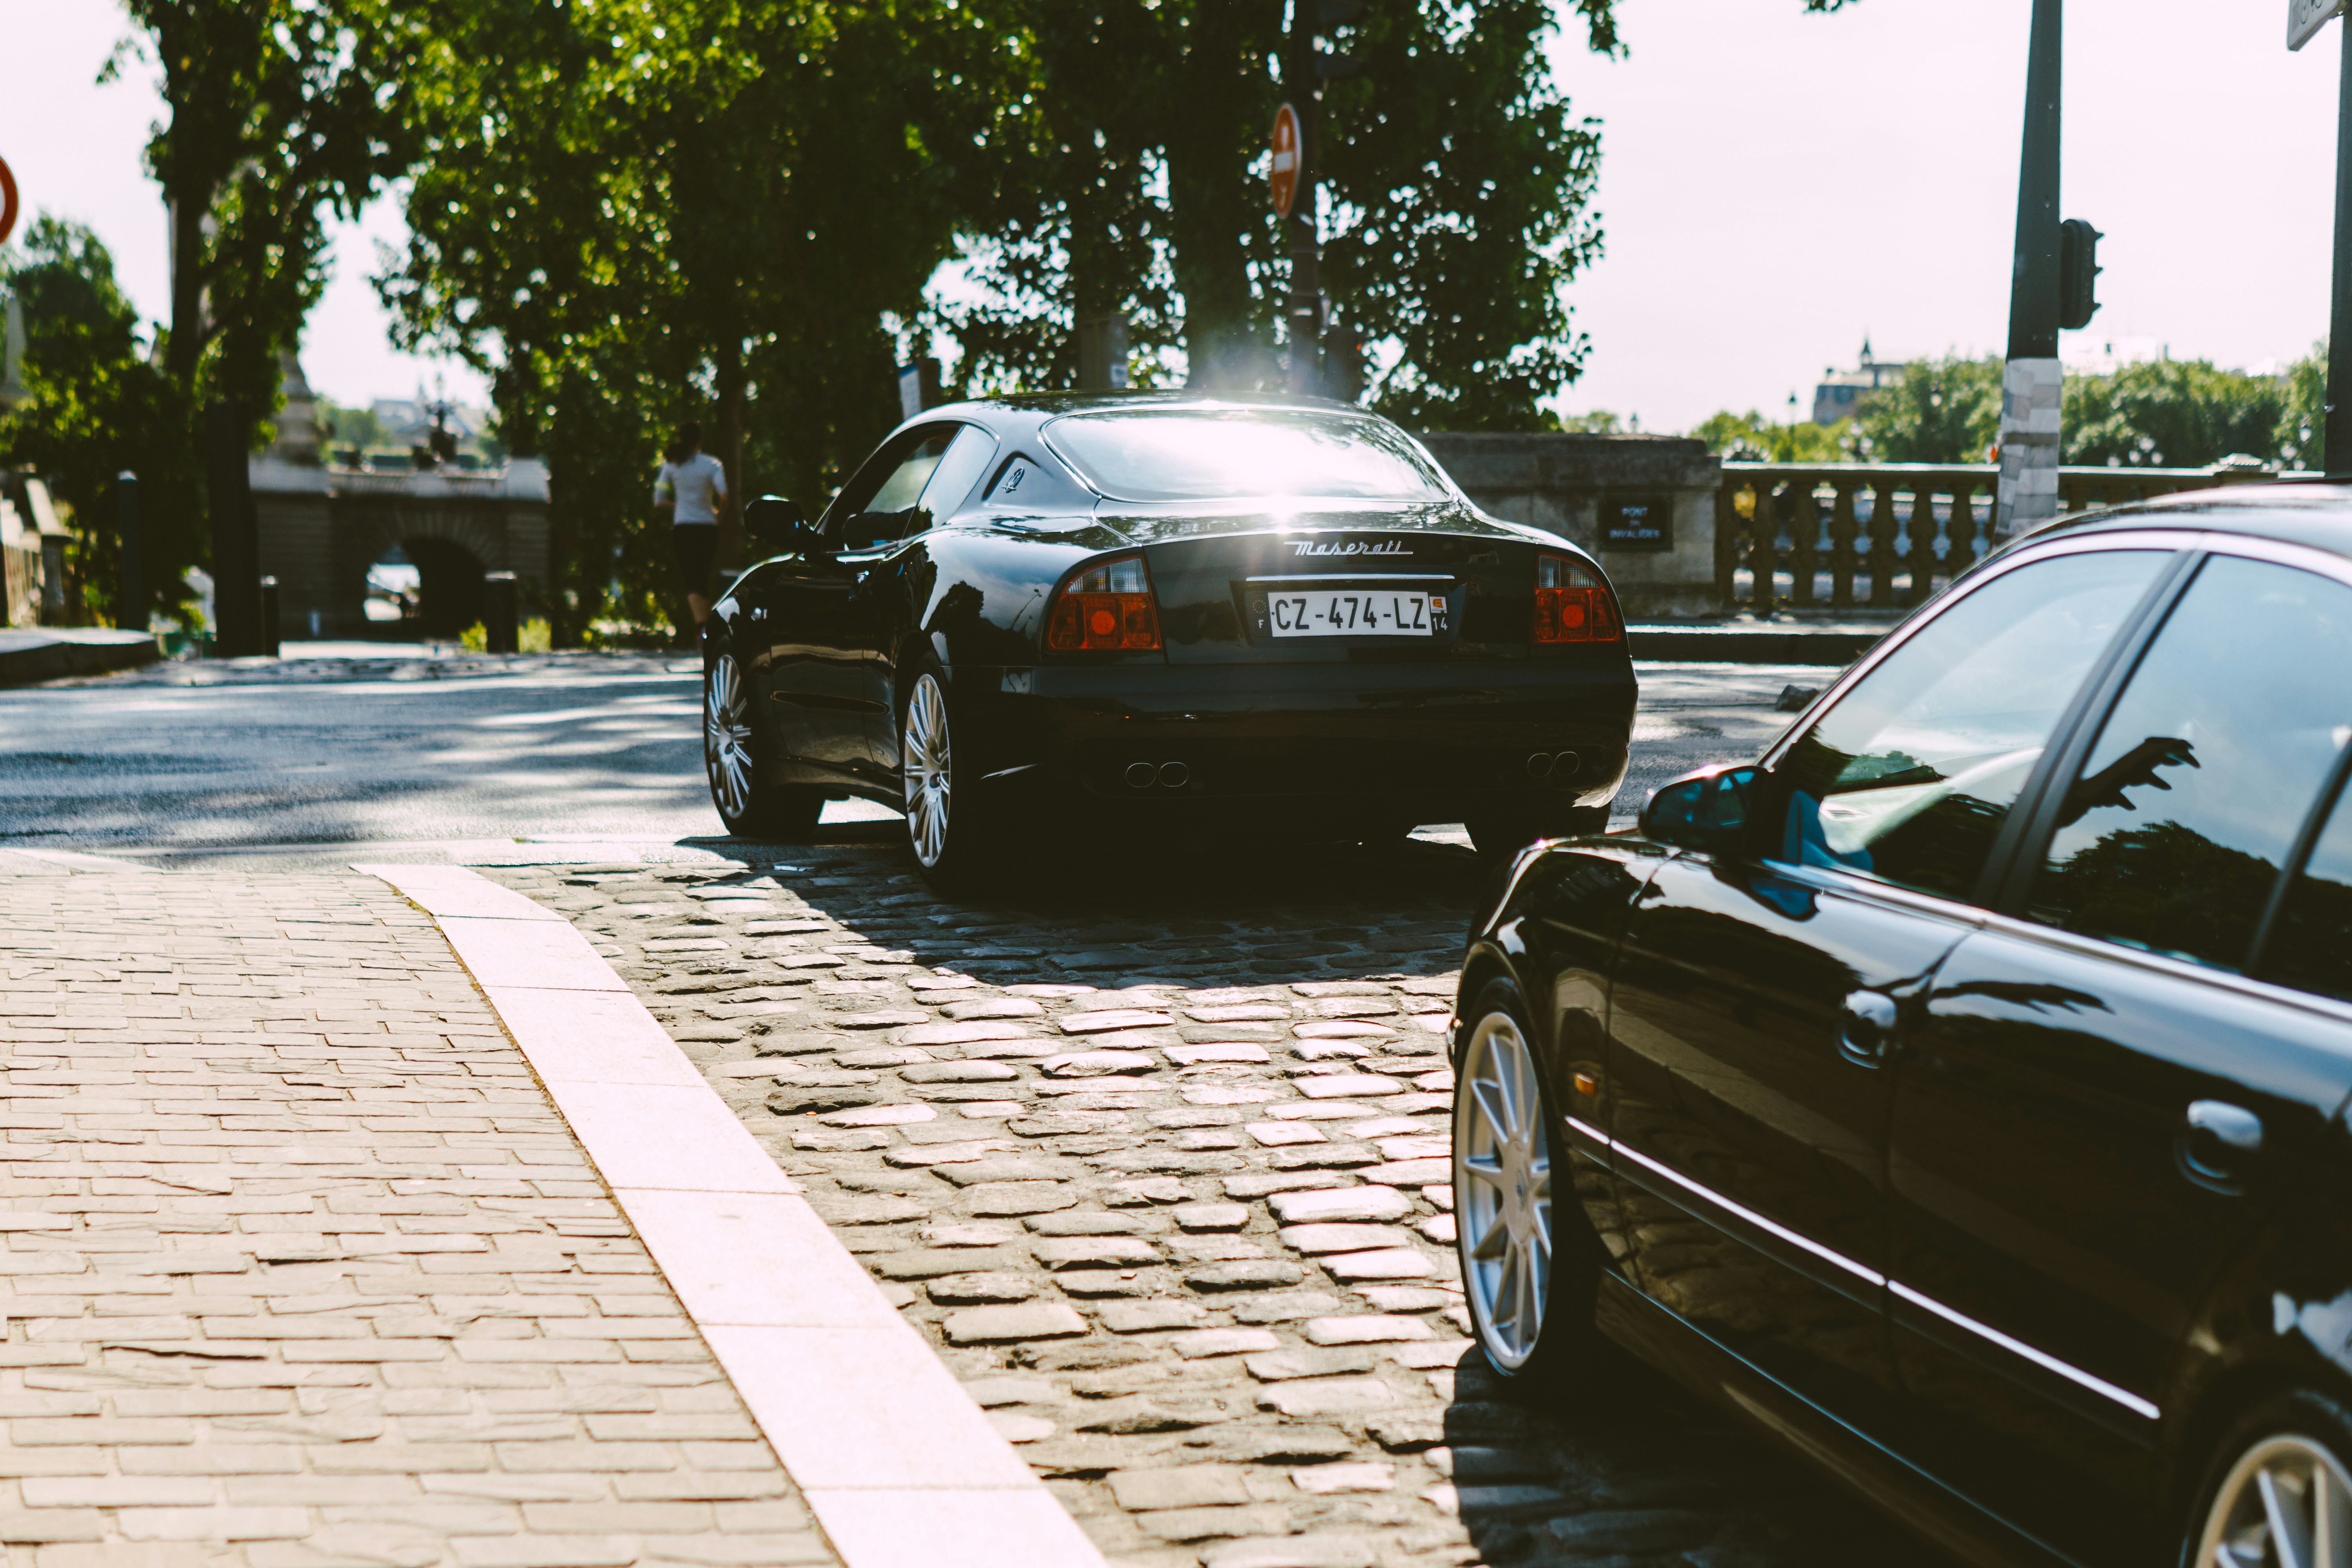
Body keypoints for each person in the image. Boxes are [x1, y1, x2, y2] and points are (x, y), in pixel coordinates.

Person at [654, 421, 728, 630]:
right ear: (700, 439)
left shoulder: (671, 465)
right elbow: (724, 495)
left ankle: (701, 627)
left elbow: (659, 499)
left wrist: (680, 505)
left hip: (684, 527)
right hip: (707, 527)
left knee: (691, 577)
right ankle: (707, 628)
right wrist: (718, 516)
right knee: (704, 575)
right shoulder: (712, 465)